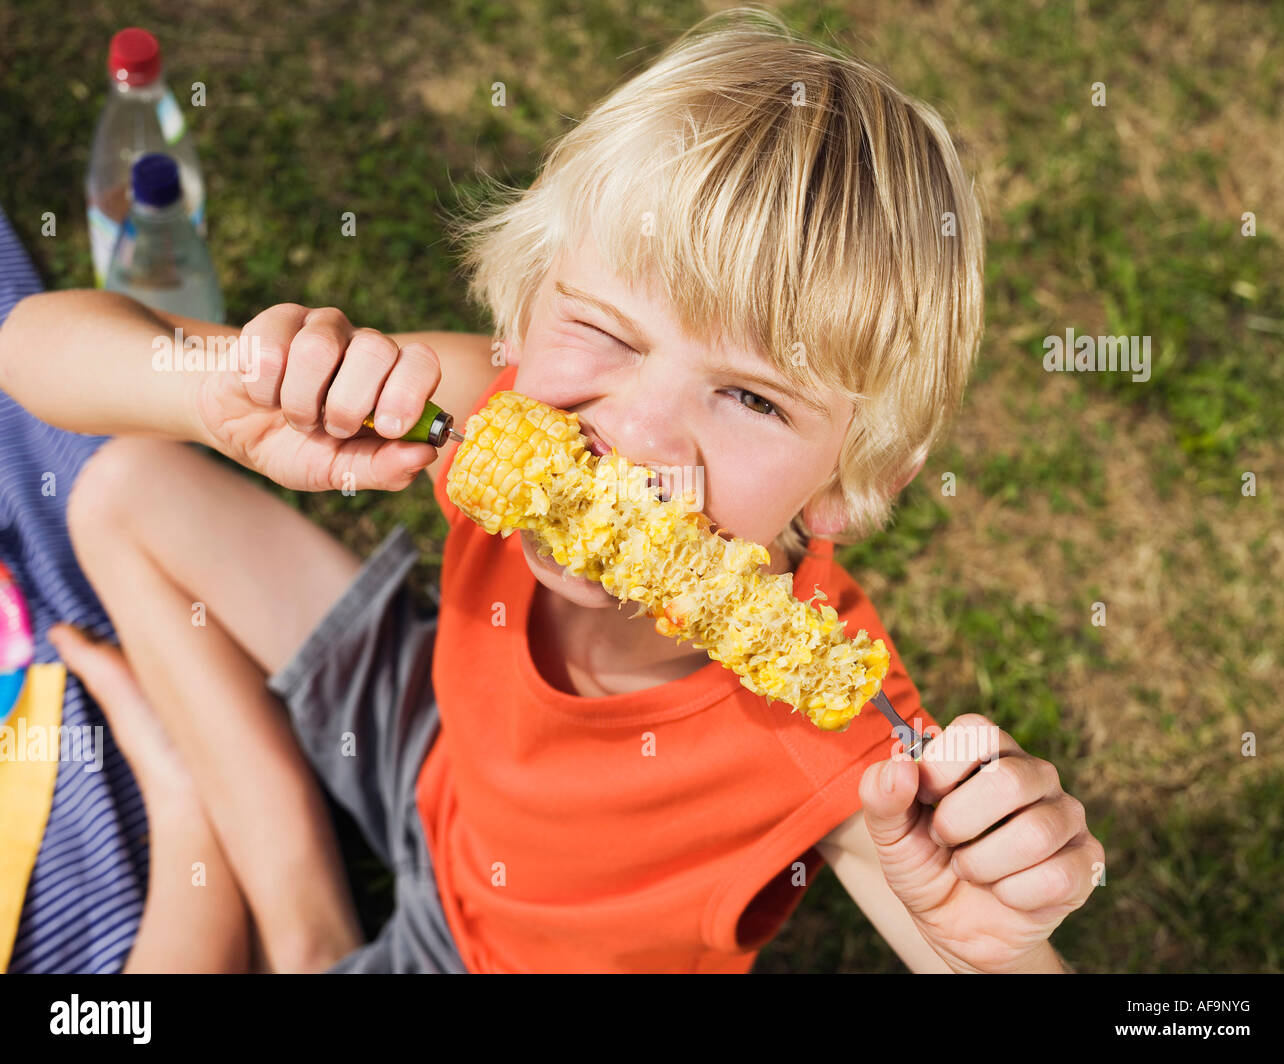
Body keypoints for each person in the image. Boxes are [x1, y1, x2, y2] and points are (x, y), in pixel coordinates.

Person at [0, 9, 1101, 973]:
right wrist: (217, 398)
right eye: (602, 331)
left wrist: (986, 946)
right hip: (438, 752)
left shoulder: (829, 738)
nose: (634, 433)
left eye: (753, 399)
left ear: (849, 487)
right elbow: (33, 353)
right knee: (126, 487)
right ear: (519, 313)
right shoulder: (491, 400)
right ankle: (303, 913)